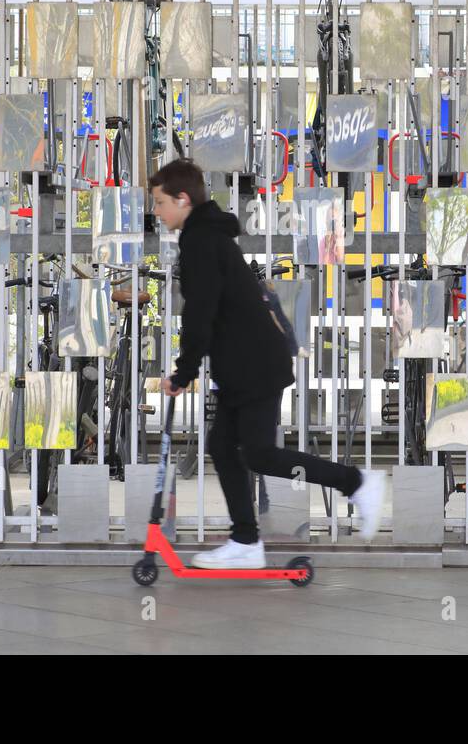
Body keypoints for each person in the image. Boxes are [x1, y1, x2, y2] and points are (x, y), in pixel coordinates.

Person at [150, 159, 386, 569]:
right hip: (244, 364)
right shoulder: (205, 235)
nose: (156, 211)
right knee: (223, 446)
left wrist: (184, 372)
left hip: (253, 365)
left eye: (159, 202)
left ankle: (356, 483)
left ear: (182, 199)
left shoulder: (200, 241)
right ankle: (245, 541)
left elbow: (199, 313)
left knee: (257, 454)